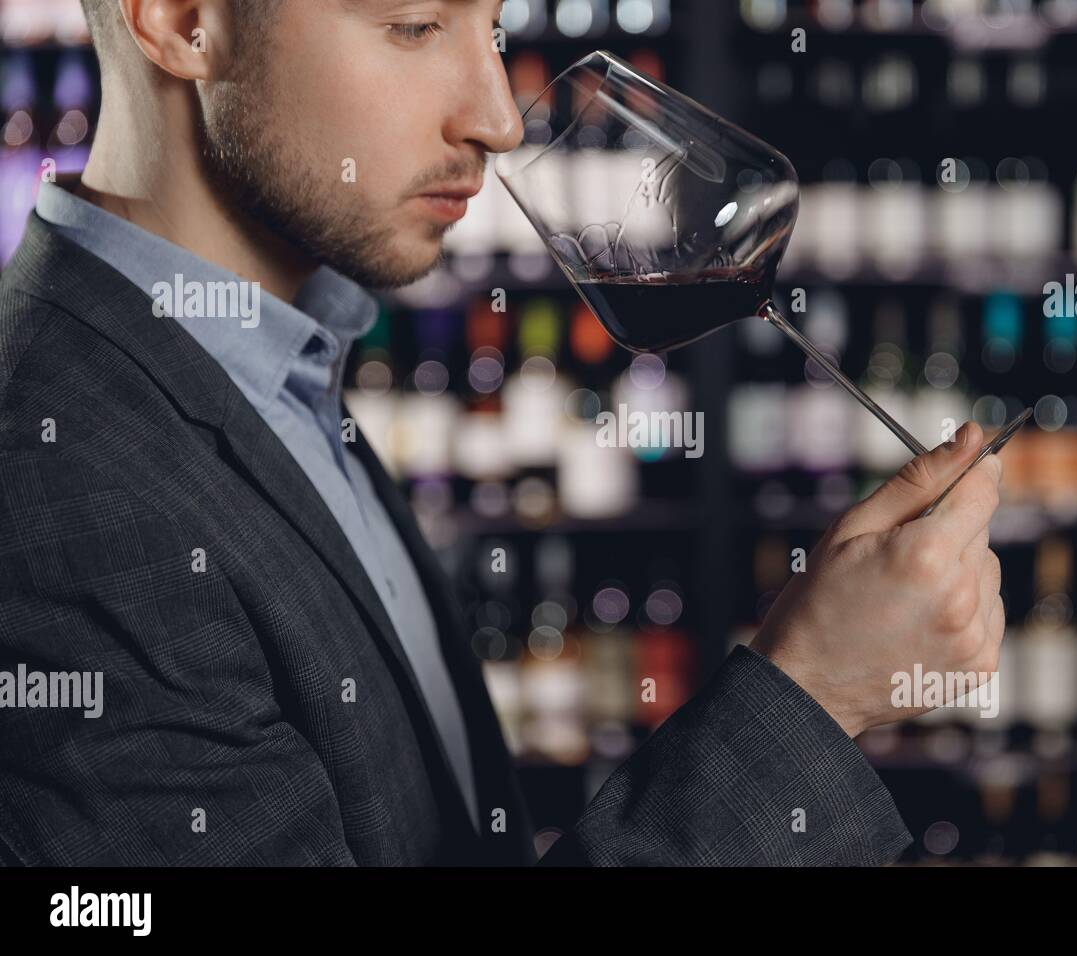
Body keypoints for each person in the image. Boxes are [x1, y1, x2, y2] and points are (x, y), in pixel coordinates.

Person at [0, 0, 1004, 866]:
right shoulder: (61, 497)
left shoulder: (271, 362)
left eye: (490, 25)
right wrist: (813, 692)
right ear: (184, 21)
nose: (495, 119)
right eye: (414, 26)